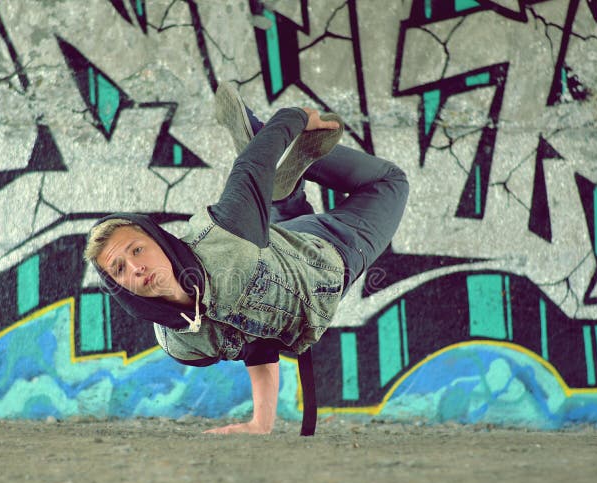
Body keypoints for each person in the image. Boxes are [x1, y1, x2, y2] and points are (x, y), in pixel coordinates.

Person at [84, 84, 409, 434]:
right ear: (116, 285)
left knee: (390, 181)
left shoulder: (224, 233)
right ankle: (283, 183)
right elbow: (256, 344)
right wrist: (260, 424)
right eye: (119, 268)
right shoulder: (181, 343)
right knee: (260, 233)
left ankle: (269, 143)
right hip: (272, 247)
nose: (136, 267)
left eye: (137, 249)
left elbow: (252, 165)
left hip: (327, 253)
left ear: (160, 241)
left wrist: (297, 119)